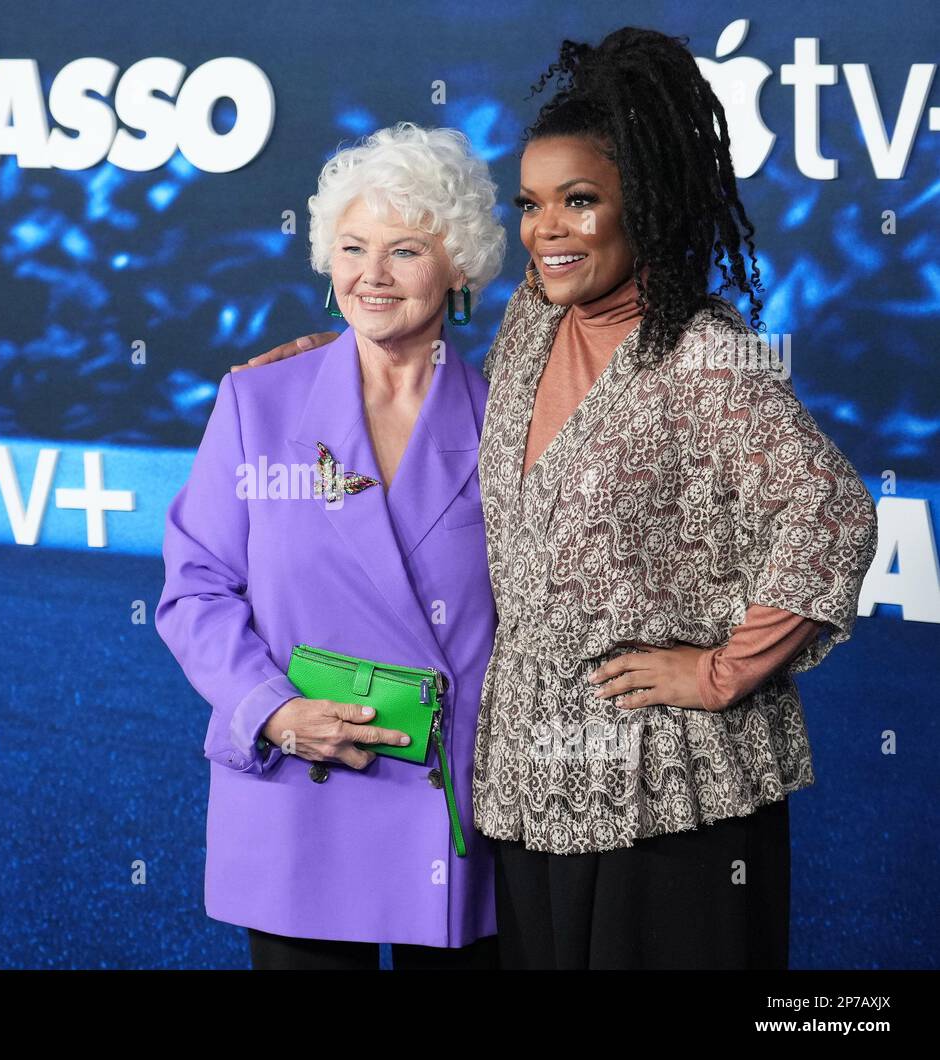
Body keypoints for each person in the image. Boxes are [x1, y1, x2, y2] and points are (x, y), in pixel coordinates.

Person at [237, 29, 878, 969]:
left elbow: (833, 516)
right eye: (533, 204)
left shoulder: (705, 355)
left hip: (671, 796)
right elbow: (437, 371)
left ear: (642, 205)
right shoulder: (535, 319)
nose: (550, 229)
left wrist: (719, 672)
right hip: (529, 795)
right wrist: (338, 361)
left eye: (580, 200)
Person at [155, 123, 507, 970]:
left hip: (451, 800)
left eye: (405, 250)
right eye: (353, 248)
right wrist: (272, 711)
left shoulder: (509, 422)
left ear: (458, 267)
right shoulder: (256, 403)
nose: (372, 275)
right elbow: (196, 589)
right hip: (298, 788)